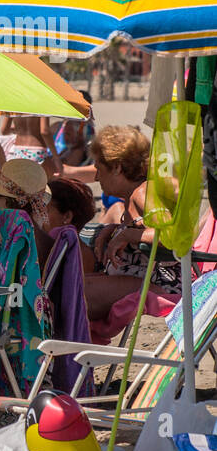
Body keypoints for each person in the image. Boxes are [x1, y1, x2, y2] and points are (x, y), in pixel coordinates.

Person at [83, 125, 182, 320]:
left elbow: (172, 234)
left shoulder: (143, 193)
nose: (96, 178)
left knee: (74, 294)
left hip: (162, 284)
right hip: (145, 278)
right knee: (67, 285)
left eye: (99, 169)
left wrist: (127, 235)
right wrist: (115, 229)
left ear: (117, 167)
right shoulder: (133, 195)